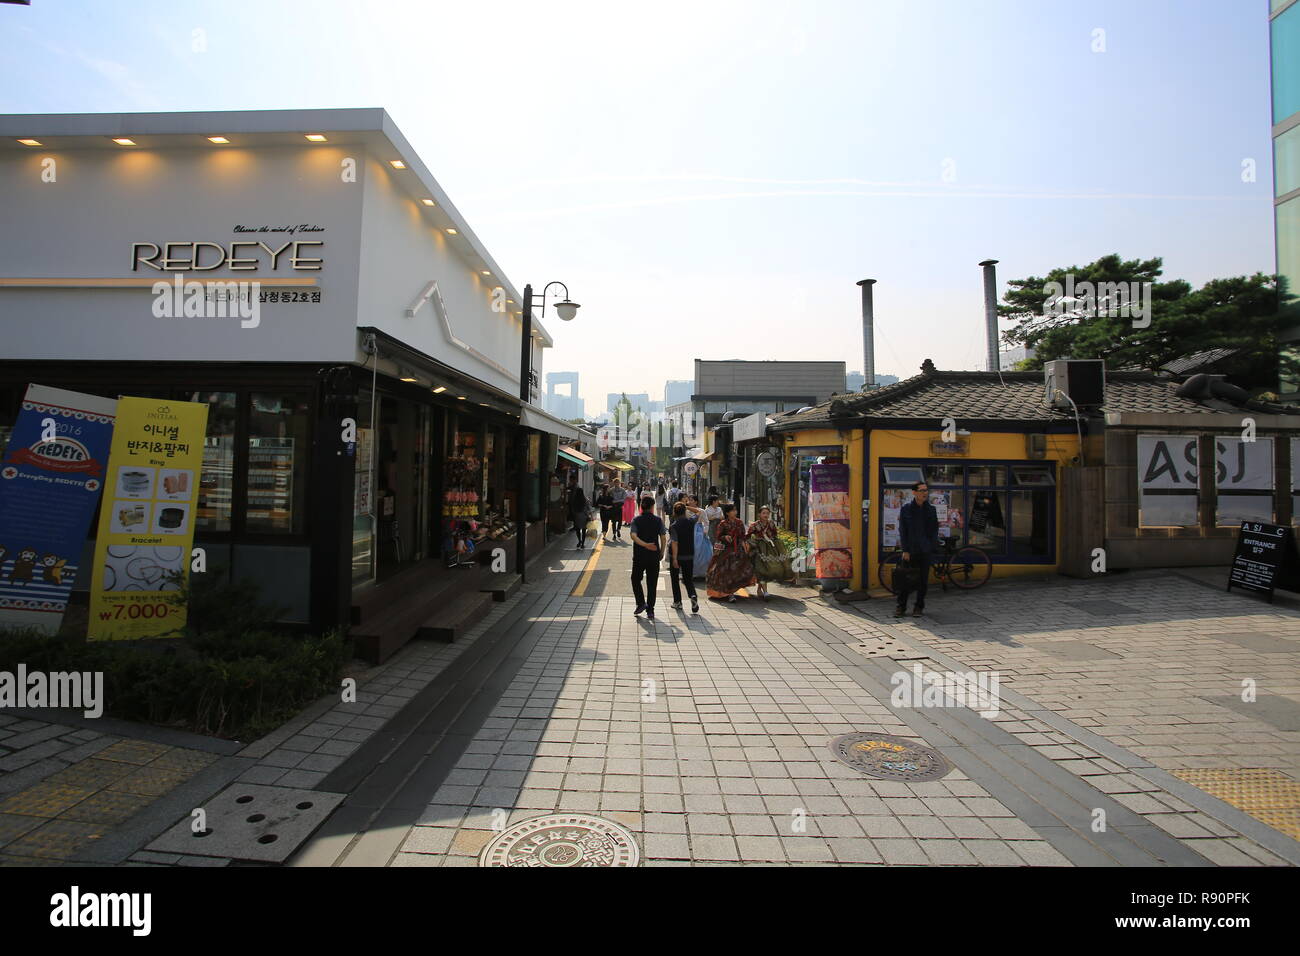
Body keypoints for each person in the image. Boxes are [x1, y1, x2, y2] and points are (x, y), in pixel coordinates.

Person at [896, 480, 939, 617]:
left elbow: (934, 531)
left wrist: (930, 546)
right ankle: (901, 607)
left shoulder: (931, 510)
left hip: (925, 551)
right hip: (911, 550)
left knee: (922, 582)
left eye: (926, 490)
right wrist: (905, 550)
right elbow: (903, 530)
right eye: (922, 490)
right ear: (914, 492)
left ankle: (918, 607)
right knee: (905, 580)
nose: (925, 493)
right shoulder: (906, 509)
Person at [706, 502, 756, 603]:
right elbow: (718, 536)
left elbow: (743, 535)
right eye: (733, 510)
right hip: (726, 551)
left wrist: (746, 540)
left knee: (738, 572)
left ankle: (733, 591)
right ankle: (729, 594)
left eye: (735, 510)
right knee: (726, 572)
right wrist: (725, 537)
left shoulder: (740, 522)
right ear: (728, 513)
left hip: (738, 550)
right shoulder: (723, 523)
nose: (735, 512)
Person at [629, 494, 666, 619]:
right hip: (653, 556)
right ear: (652, 507)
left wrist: (644, 545)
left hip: (639, 556)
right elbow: (663, 537)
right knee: (652, 583)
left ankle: (640, 603)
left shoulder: (636, 520)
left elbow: (633, 536)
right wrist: (661, 551)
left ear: (641, 506)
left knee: (635, 579)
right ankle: (650, 610)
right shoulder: (658, 520)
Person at [668, 499, 703, 613]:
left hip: (678, 557)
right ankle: (692, 596)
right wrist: (687, 507)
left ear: (674, 513)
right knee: (688, 579)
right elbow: (699, 512)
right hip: (689, 555)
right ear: (684, 511)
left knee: (674, 579)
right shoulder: (690, 521)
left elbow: (674, 543)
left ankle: (677, 602)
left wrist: (674, 558)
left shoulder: (674, 526)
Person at [747, 505, 780, 600]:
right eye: (763, 513)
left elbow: (775, 535)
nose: (766, 515)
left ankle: (759, 589)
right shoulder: (754, 525)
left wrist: (773, 542)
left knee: (766, 570)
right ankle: (765, 592)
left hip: (769, 549)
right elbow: (748, 536)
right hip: (758, 550)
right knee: (761, 569)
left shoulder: (771, 524)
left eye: (767, 513)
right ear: (759, 514)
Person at [566, 474, 589, 550]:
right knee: (584, 530)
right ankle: (583, 543)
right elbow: (589, 509)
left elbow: (573, 509)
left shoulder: (574, 501)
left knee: (578, 529)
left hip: (577, 517)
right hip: (584, 517)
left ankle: (579, 541)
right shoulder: (585, 500)